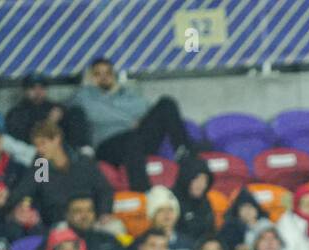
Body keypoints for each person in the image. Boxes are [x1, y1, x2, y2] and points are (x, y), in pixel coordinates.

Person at [72, 58, 194, 192]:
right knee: (131, 139)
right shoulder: (84, 95)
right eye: (98, 74)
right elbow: (94, 113)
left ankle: (184, 154)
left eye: (108, 73)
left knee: (166, 103)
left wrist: (113, 103)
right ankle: (144, 193)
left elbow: (144, 107)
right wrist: (129, 119)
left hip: (136, 139)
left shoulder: (126, 93)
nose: (104, 77)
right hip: (108, 145)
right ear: (90, 77)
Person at [12, 121, 112, 225]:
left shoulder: (83, 162)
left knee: (115, 228)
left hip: (91, 218)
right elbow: (27, 191)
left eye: (43, 143)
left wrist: (104, 213)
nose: (40, 149)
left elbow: (104, 189)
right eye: (36, 145)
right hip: (60, 224)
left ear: (56, 139)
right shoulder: (42, 166)